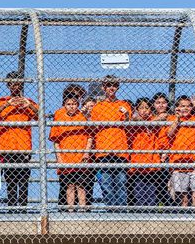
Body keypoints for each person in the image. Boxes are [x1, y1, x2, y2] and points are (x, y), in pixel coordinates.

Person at [0, 72, 39, 210]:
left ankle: (23, 208)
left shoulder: (28, 101)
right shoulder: (2, 101)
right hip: (7, 146)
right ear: (8, 85)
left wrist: (28, 105)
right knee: (11, 179)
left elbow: (39, 116)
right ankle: (12, 208)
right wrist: (8, 104)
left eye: (17, 83)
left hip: (24, 146)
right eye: (12, 83)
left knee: (23, 179)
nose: (15, 86)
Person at [89, 75, 132, 210]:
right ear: (103, 87)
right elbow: (93, 128)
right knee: (106, 183)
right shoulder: (98, 107)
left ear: (117, 87)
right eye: (108, 85)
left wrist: (125, 116)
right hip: (103, 149)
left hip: (120, 148)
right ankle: (111, 211)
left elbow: (129, 125)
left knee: (121, 182)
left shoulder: (124, 105)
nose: (111, 88)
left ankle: (121, 212)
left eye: (113, 85)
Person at [49, 85, 92, 210]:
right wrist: (59, 157)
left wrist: (86, 153)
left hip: (80, 156)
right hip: (66, 156)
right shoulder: (59, 114)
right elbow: (55, 138)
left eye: (74, 103)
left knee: (82, 185)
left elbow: (90, 135)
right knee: (69, 185)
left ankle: (83, 210)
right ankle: (70, 210)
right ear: (64, 104)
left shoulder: (83, 116)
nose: (72, 106)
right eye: (68, 104)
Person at [166, 96, 195, 207]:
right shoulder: (172, 118)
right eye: (182, 106)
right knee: (183, 199)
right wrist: (177, 119)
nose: (186, 108)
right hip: (178, 162)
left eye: (188, 106)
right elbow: (169, 133)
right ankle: (185, 216)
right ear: (177, 107)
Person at [128, 97, 161, 208]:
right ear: (137, 109)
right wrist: (144, 123)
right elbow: (133, 118)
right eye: (141, 108)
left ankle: (151, 213)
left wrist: (148, 124)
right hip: (137, 162)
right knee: (139, 193)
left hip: (152, 162)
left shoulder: (154, 120)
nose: (144, 110)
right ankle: (141, 215)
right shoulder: (134, 121)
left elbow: (163, 117)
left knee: (152, 193)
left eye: (147, 108)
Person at [150, 92, 173, 206]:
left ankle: (171, 206)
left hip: (168, 154)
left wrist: (167, 152)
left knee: (167, 183)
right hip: (153, 154)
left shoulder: (172, 117)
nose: (161, 105)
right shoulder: (151, 117)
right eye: (158, 103)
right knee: (156, 184)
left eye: (164, 103)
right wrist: (158, 119)